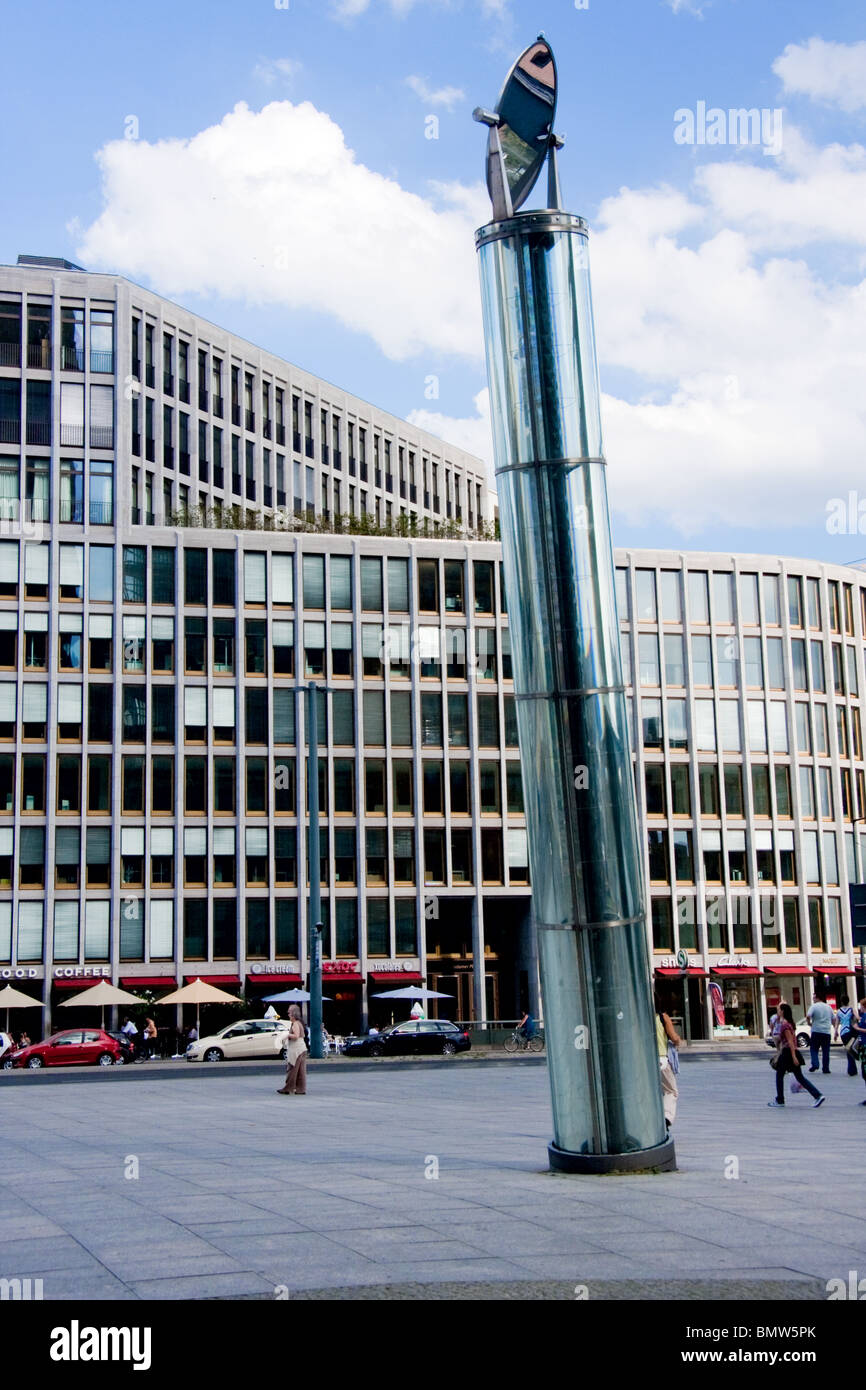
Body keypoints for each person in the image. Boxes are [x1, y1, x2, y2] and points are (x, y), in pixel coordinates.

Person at [768, 1003, 825, 1108]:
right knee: (799, 1077)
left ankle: (780, 1100)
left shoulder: (785, 1025)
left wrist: (794, 1057)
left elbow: (790, 1042)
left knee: (780, 1075)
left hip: (788, 1053)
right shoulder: (789, 1023)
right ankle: (817, 1095)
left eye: (779, 1010)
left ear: (783, 1012)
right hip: (790, 1052)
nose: (778, 1012)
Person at [655, 992, 681, 1130]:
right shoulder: (662, 1017)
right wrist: (677, 1041)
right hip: (661, 1059)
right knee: (671, 1090)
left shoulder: (641, 1017)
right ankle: (666, 1117)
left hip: (645, 1060)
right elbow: (673, 1037)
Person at [277, 1004, 308, 1096]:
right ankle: (300, 1089)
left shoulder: (295, 1024)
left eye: (289, 1012)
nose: (288, 1014)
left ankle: (288, 1088)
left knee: (292, 1070)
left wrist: (286, 1035)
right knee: (301, 1071)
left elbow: (296, 1036)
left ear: (293, 1014)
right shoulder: (300, 1023)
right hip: (302, 1048)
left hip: (296, 1049)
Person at [807, 992, 834, 1075]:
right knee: (826, 1051)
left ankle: (815, 1064)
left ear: (817, 998)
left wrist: (809, 1023)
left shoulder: (814, 1006)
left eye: (814, 997)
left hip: (816, 1030)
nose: (813, 999)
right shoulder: (829, 1007)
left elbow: (808, 1016)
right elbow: (833, 1018)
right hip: (826, 1031)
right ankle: (826, 1068)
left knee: (814, 1049)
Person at [835, 993, 858, 1078]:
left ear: (841, 1002)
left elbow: (837, 1023)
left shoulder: (839, 1011)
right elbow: (858, 1017)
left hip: (843, 1033)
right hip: (851, 1031)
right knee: (850, 1049)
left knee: (848, 1049)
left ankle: (851, 1069)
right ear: (848, 1001)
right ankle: (852, 1069)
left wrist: (835, 1032)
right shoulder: (852, 1009)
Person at [852, 1000, 866, 1105]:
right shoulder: (863, 1016)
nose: (860, 1008)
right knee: (864, 1073)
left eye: (861, 1006)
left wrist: (858, 1028)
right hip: (863, 1045)